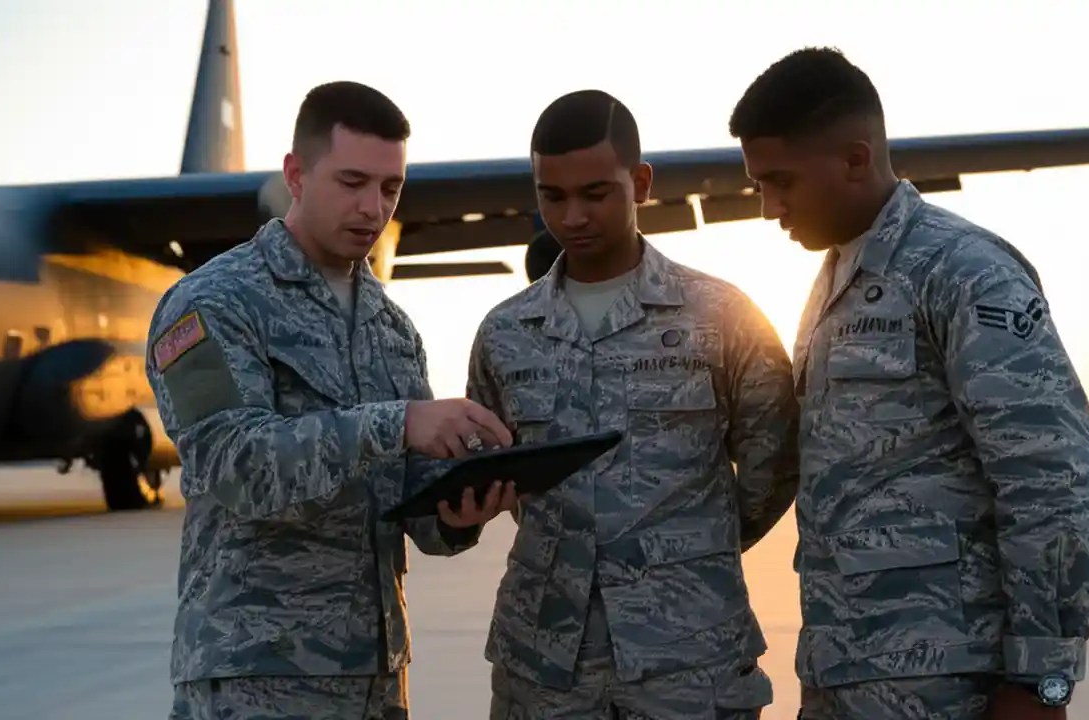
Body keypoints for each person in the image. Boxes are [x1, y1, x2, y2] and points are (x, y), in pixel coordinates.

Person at [727, 48, 1089, 719]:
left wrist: (1041, 679)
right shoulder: (835, 283)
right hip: (846, 673)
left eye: (780, 181)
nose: (768, 207)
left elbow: (1050, 476)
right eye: (760, 185)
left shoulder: (965, 272)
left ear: (855, 158)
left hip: (951, 685)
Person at [147, 80, 518, 720]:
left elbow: (413, 508)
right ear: (295, 174)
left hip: (375, 679)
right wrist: (396, 424)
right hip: (254, 680)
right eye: (351, 182)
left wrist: (460, 510)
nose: (373, 207)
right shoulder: (210, 303)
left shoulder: (391, 326)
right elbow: (233, 466)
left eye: (390, 189)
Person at [466, 89, 801, 719]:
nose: (573, 216)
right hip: (545, 670)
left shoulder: (722, 317)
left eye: (596, 193)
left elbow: (773, 466)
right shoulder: (505, 333)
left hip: (690, 663)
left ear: (641, 182)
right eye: (553, 197)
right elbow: (488, 470)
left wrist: (684, 551)